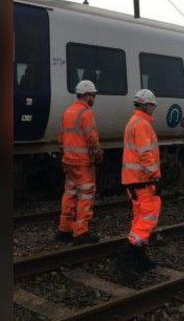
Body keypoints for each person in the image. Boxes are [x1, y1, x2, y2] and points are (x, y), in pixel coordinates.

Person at [117, 89, 162, 275]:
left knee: (139, 218)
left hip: (133, 181)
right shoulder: (142, 124)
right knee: (147, 219)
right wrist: (156, 176)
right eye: (153, 106)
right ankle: (126, 257)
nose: (154, 109)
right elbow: (145, 154)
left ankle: (140, 257)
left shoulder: (133, 122)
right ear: (147, 105)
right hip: (143, 181)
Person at [57, 79, 104, 244]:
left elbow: (61, 138)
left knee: (70, 193)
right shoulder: (86, 113)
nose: (94, 98)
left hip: (69, 161)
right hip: (83, 163)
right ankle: (81, 232)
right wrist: (98, 154)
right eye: (93, 95)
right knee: (86, 195)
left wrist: (64, 155)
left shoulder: (68, 111)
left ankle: (64, 229)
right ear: (87, 95)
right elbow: (92, 138)